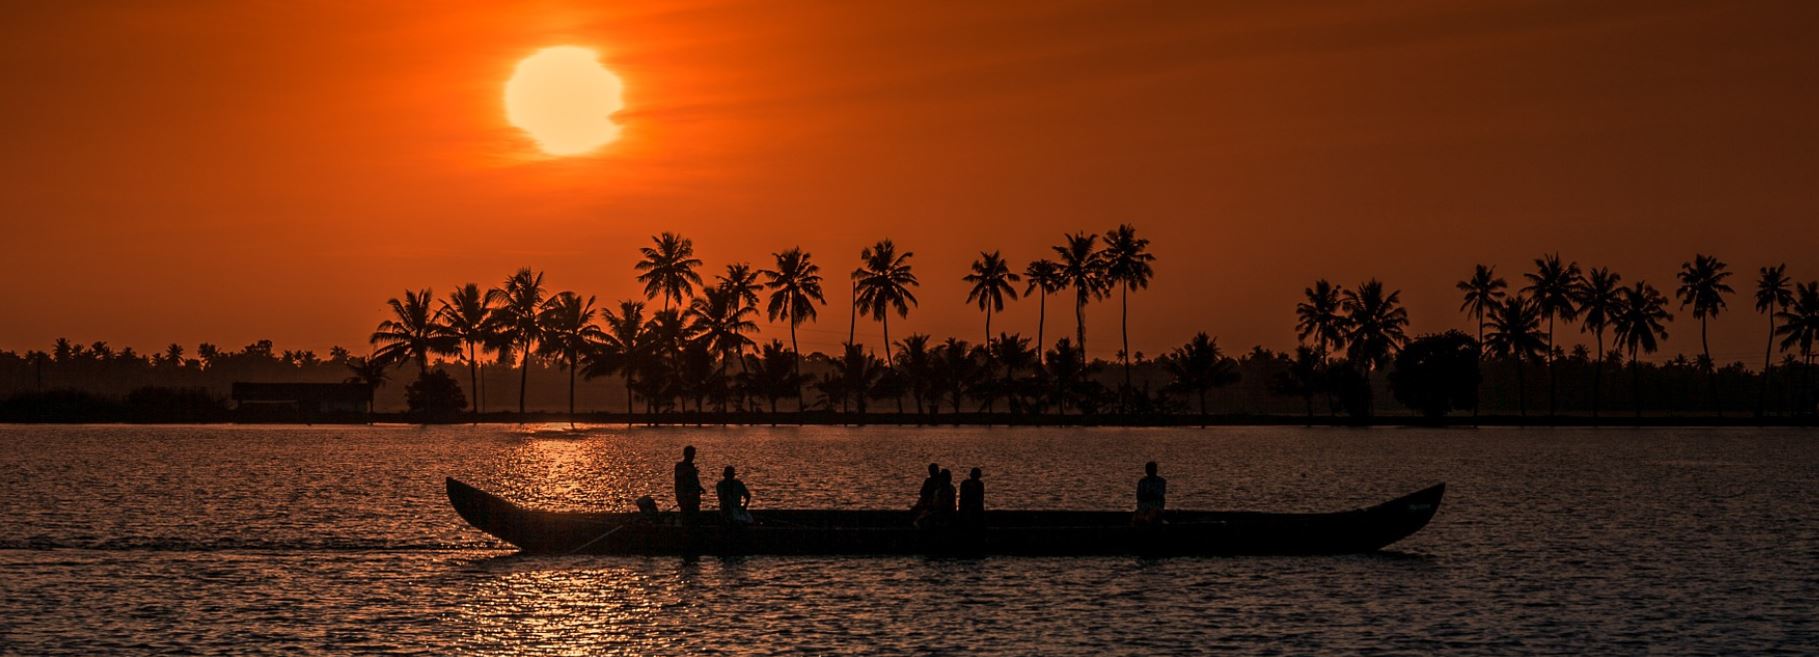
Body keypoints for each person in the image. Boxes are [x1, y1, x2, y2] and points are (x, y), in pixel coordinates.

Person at [674, 446, 705, 524]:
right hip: (685, 499)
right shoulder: (680, 466)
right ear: (685, 454)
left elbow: (694, 481)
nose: (692, 456)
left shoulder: (691, 467)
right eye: (690, 454)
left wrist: (700, 488)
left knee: (695, 518)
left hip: (694, 499)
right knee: (687, 519)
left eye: (693, 454)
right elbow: (680, 477)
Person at [1134, 461, 1167, 525]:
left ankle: (1146, 521)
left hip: (1156, 507)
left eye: (1152, 469)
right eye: (1149, 469)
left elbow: (1159, 495)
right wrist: (1148, 496)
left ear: (1156, 470)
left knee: (1153, 512)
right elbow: (1139, 496)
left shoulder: (1161, 481)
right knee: (1139, 514)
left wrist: (1149, 496)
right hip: (1144, 507)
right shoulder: (1142, 482)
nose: (1150, 471)